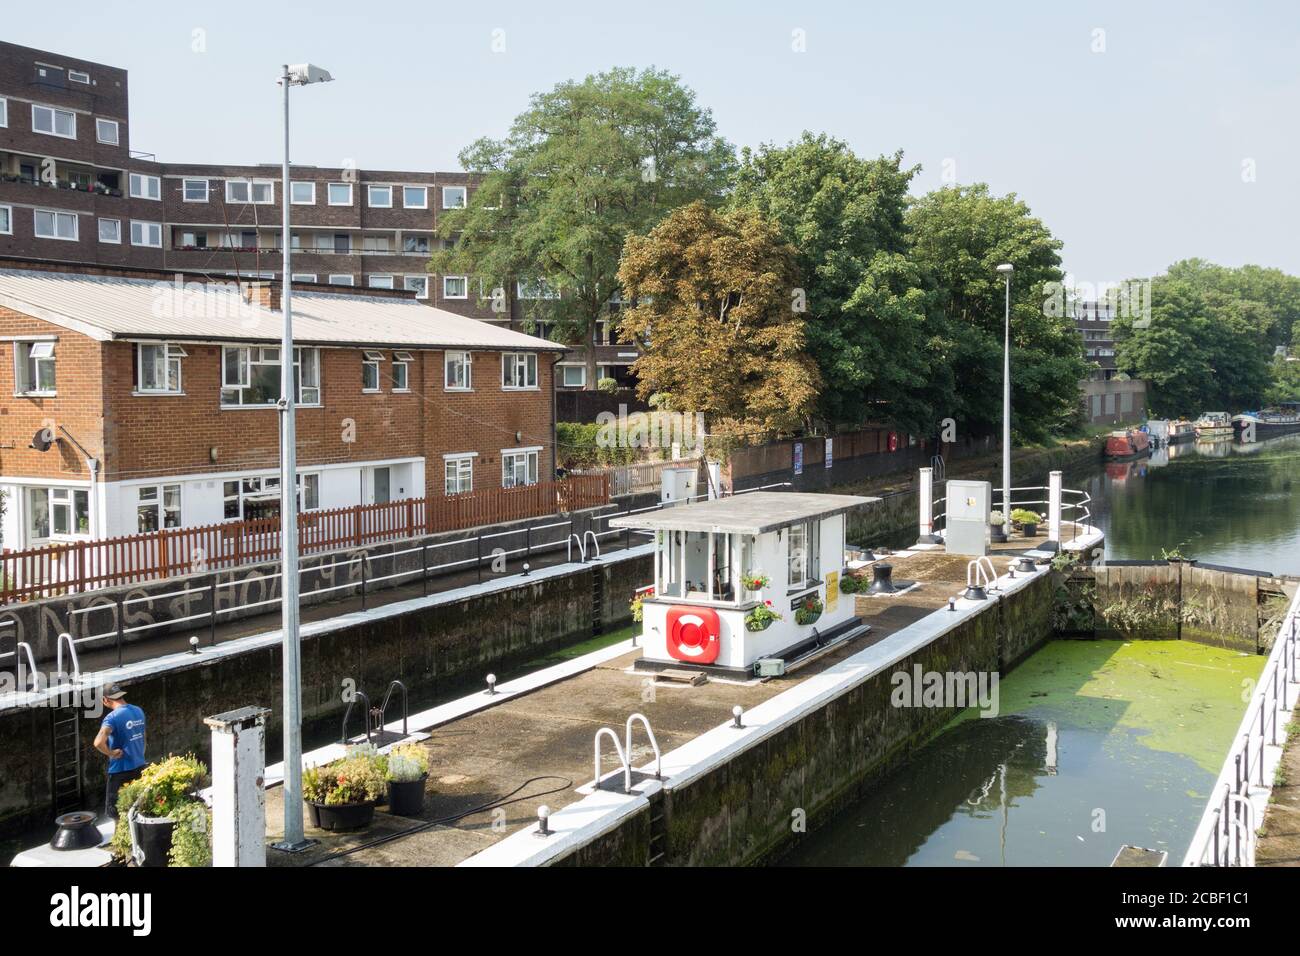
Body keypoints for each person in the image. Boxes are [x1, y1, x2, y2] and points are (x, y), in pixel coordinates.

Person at [95, 684, 146, 820]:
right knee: (138, 809)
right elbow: (144, 738)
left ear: (105, 700)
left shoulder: (112, 718)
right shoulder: (138, 711)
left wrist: (111, 753)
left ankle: (119, 840)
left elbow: (98, 742)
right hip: (140, 767)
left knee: (116, 813)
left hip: (120, 771)